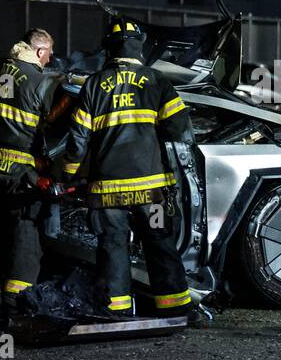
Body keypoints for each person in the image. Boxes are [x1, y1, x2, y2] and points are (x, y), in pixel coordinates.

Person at [55, 17, 196, 321]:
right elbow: (180, 128)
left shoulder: (94, 85)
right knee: (159, 244)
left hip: (108, 191)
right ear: (139, 47)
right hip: (151, 190)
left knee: (113, 247)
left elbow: (77, 140)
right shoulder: (156, 80)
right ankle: (176, 309)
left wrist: (68, 174)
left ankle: (115, 311)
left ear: (110, 50)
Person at [0, 29, 63, 322]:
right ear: (40, 52)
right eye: (50, 54)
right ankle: (14, 310)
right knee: (24, 243)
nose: (50, 60)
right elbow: (52, 131)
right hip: (20, 176)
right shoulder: (41, 82)